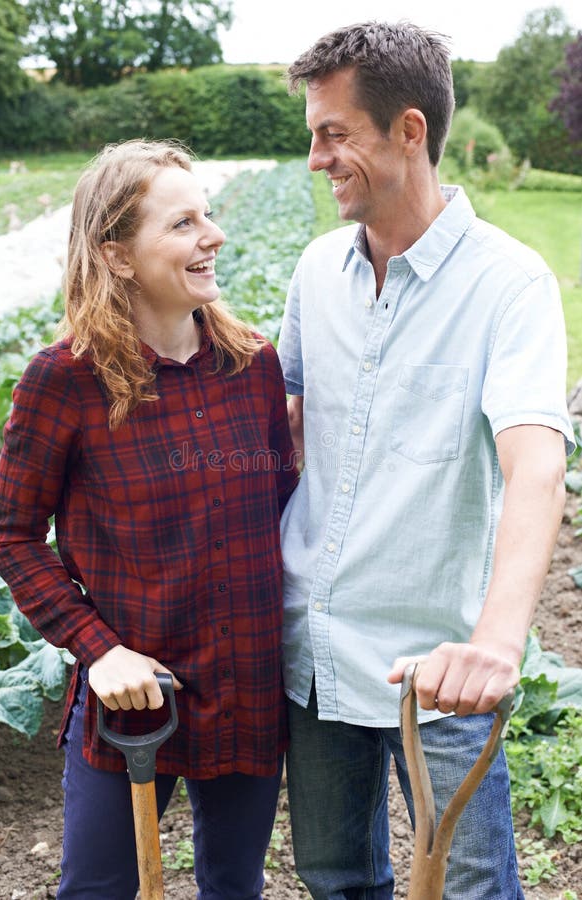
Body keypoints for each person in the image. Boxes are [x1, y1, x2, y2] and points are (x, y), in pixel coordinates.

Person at [276, 21, 574, 899]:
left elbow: (535, 467)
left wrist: (494, 642)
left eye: (334, 134)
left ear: (409, 131)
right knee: (335, 881)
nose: (315, 158)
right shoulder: (314, 272)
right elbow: (282, 432)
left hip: (437, 668)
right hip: (315, 651)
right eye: (312, 135)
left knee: (475, 887)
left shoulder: (508, 284)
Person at [0, 139, 299, 900]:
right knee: (97, 888)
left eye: (209, 216)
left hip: (245, 685)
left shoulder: (251, 365)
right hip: (135, 698)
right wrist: (99, 651)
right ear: (118, 256)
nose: (213, 236)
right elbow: (13, 536)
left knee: (234, 885)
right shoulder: (65, 380)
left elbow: (281, 507)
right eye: (183, 223)